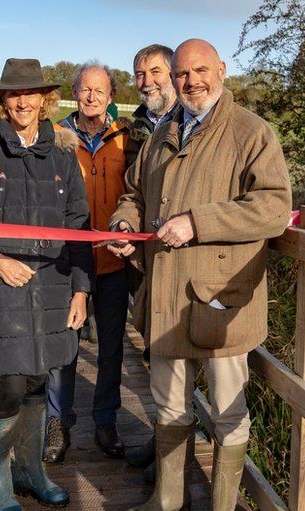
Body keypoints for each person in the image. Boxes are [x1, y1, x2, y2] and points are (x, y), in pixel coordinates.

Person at [108, 39, 292, 511]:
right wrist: (124, 224)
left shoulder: (251, 132)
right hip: (166, 294)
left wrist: (197, 222)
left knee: (228, 413)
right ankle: (169, 497)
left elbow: (274, 208)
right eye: (182, 74)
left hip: (220, 299)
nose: (192, 82)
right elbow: (134, 193)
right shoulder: (161, 133)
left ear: (222, 70)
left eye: (200, 70)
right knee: (169, 405)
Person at [0, 58, 94, 511]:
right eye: (13, 94)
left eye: (30, 93)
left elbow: (79, 224)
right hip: (0, 285)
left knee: (38, 379)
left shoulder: (63, 152)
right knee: (9, 382)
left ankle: (31, 471)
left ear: (45, 99)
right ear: (1, 100)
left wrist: (81, 290)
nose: (22, 102)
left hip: (53, 283)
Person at [45, 62, 132, 462]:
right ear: (74, 94)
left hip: (113, 261)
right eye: (85, 90)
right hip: (68, 262)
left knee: (111, 348)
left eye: (100, 90)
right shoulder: (57, 137)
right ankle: (57, 423)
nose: (92, 97)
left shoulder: (126, 138)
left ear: (111, 97)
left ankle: (105, 420)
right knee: (65, 345)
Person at [122, 43, 181, 471]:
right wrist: (124, 224)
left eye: (155, 72)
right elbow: (134, 189)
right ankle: (162, 443)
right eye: (140, 74)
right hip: (147, 259)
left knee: (184, 362)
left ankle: (175, 455)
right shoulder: (137, 127)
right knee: (154, 354)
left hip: (189, 262)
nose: (147, 82)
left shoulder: (192, 120)